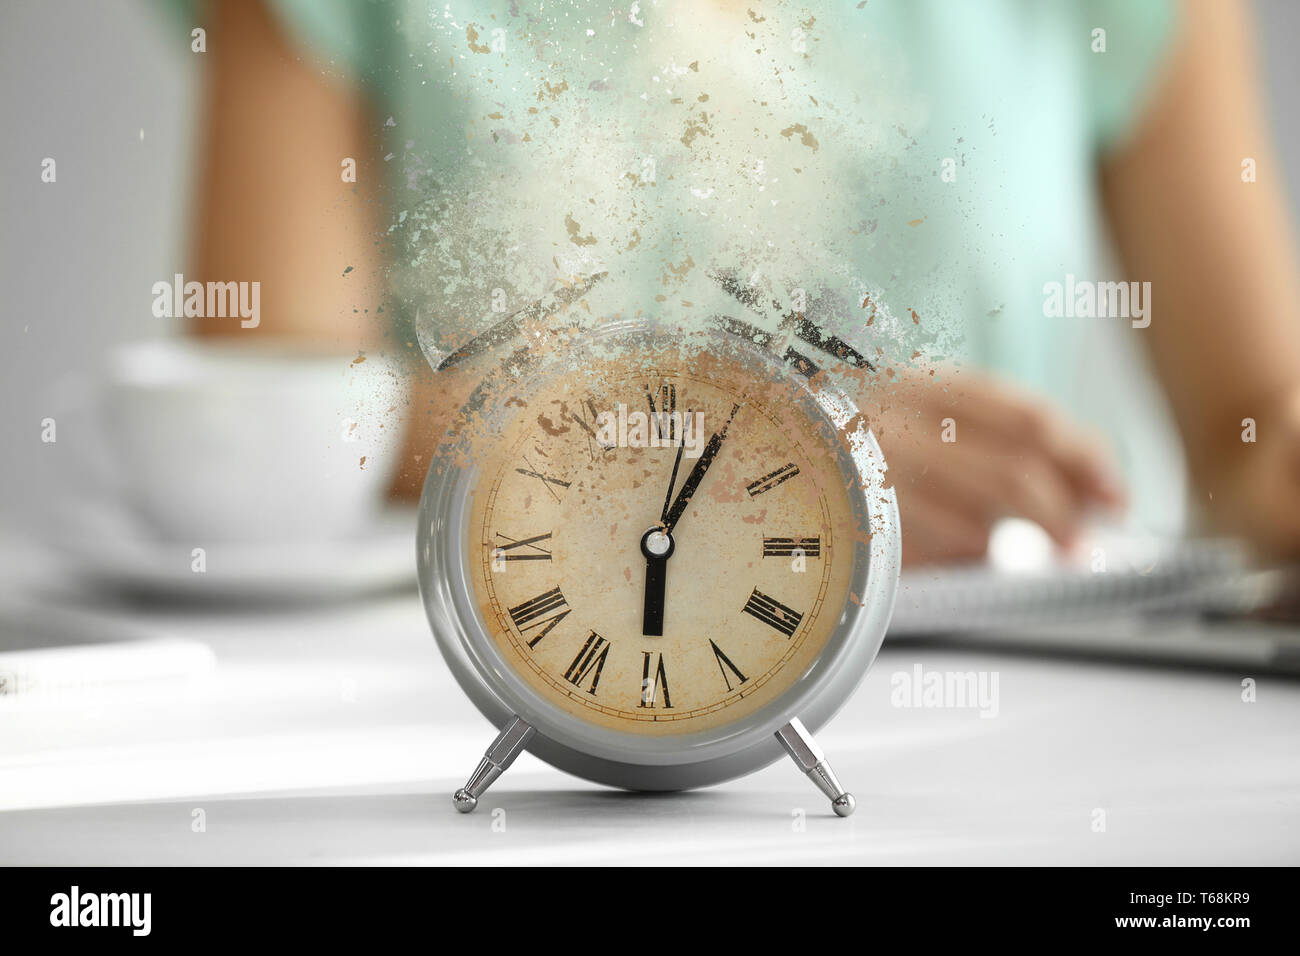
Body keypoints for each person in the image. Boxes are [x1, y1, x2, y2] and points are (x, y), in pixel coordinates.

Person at [177, 0, 1300, 565]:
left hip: (1025, 711)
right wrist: (747, 444)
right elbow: (268, 409)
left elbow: (1250, 434)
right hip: (473, 694)